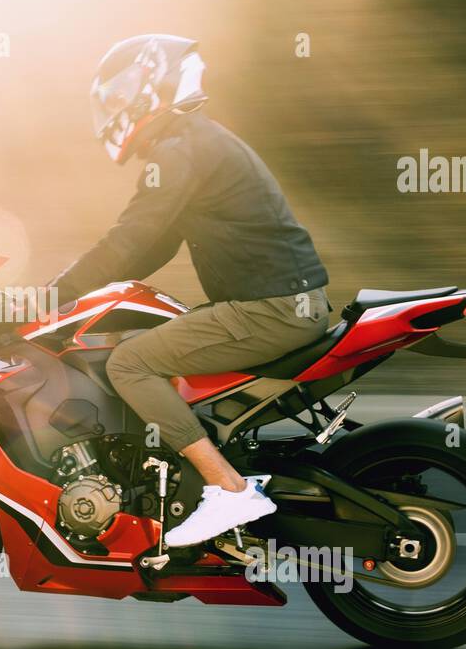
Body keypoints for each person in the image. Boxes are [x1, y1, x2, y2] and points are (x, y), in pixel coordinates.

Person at [48, 34, 330, 547]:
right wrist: (90, 291)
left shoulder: (180, 150)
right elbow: (153, 244)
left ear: (151, 85)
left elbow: (131, 239)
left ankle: (228, 490)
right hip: (283, 303)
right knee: (154, 342)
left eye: (118, 97)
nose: (113, 111)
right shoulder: (194, 142)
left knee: (129, 363)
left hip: (269, 309)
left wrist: (51, 295)